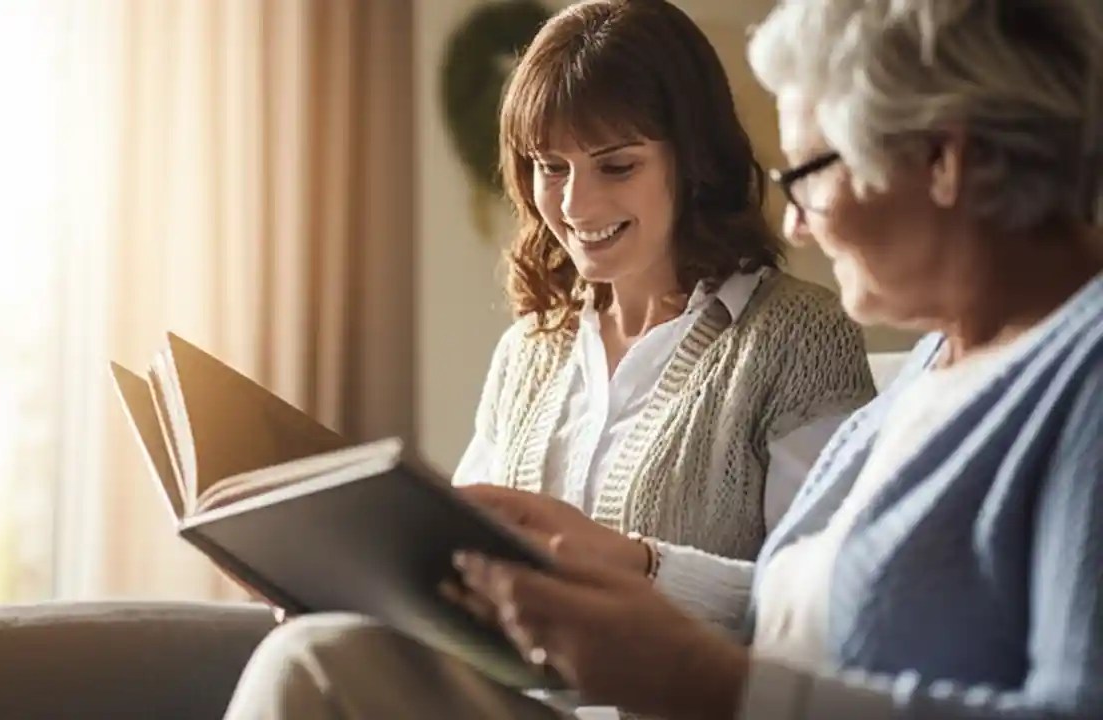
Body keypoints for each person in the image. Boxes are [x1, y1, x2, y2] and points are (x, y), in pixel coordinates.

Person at [220, 0, 1103, 717]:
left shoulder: (1077, 378)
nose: (794, 222)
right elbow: (776, 617)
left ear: (943, 160)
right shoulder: (926, 376)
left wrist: (699, 677)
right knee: (314, 649)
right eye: (548, 167)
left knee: (318, 672)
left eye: (811, 174)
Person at [448, 0, 871, 585]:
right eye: (551, 167)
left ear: (695, 159)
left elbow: (817, 601)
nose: (574, 206)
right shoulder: (527, 351)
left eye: (617, 167)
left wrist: (640, 568)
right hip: (508, 677)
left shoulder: (798, 339)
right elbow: (458, 551)